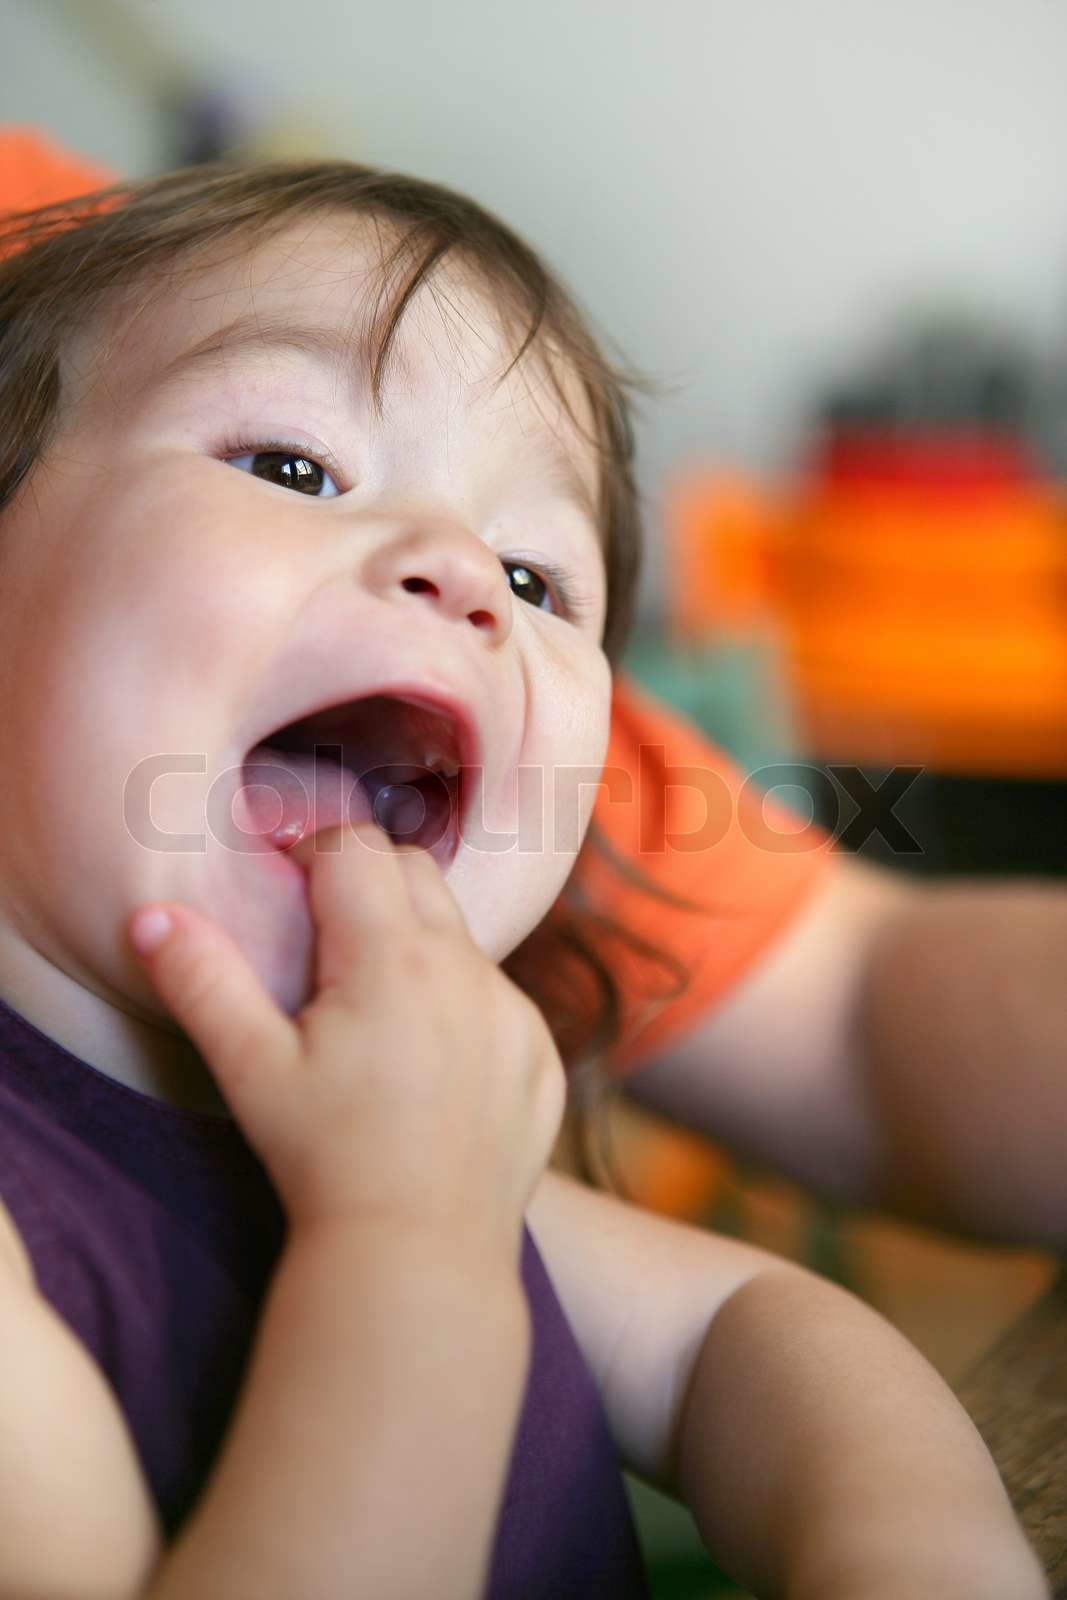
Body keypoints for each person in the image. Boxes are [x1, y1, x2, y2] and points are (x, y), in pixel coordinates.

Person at [0, 155, 1049, 1600]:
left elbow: (737, 1331)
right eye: (293, 467)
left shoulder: (399, 1105)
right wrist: (413, 1234)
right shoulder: (399, 1172)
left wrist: (910, 1544)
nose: (461, 571)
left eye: (540, 578)